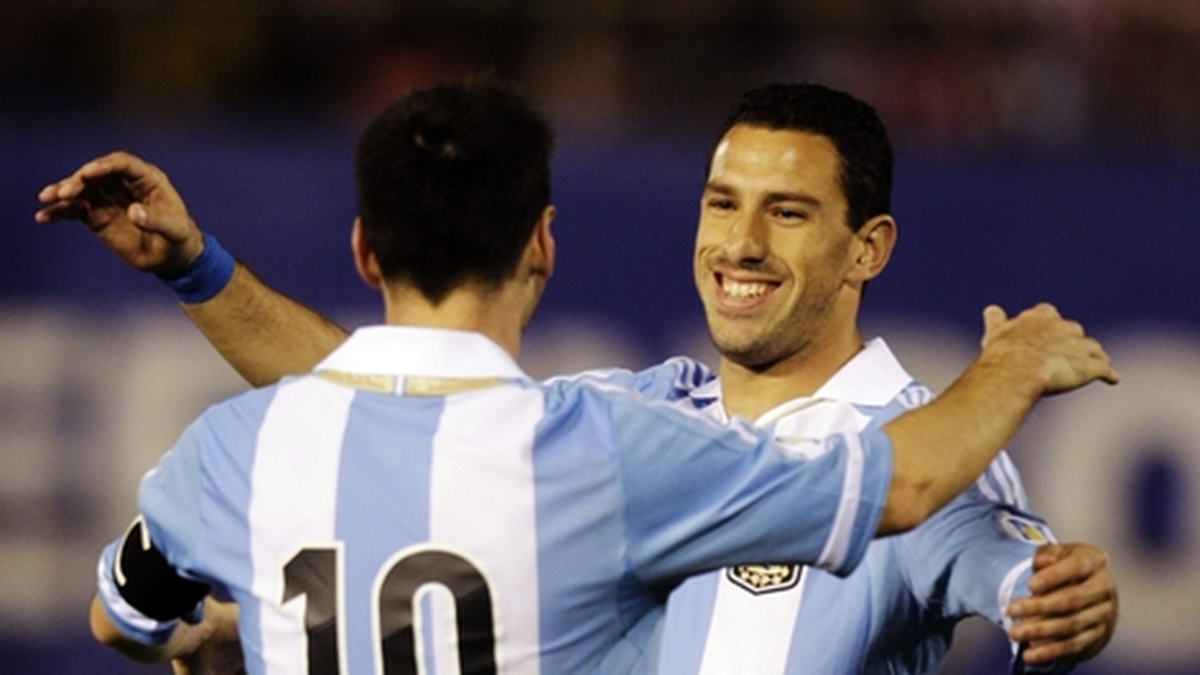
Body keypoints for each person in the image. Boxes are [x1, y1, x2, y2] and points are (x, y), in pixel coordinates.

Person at [36, 81, 1118, 674]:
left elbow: (1019, 579)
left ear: (868, 249)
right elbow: (377, 405)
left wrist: (1062, 601)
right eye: (720, 201)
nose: (738, 244)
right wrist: (198, 269)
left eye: (786, 212)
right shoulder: (636, 420)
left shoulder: (935, 445)